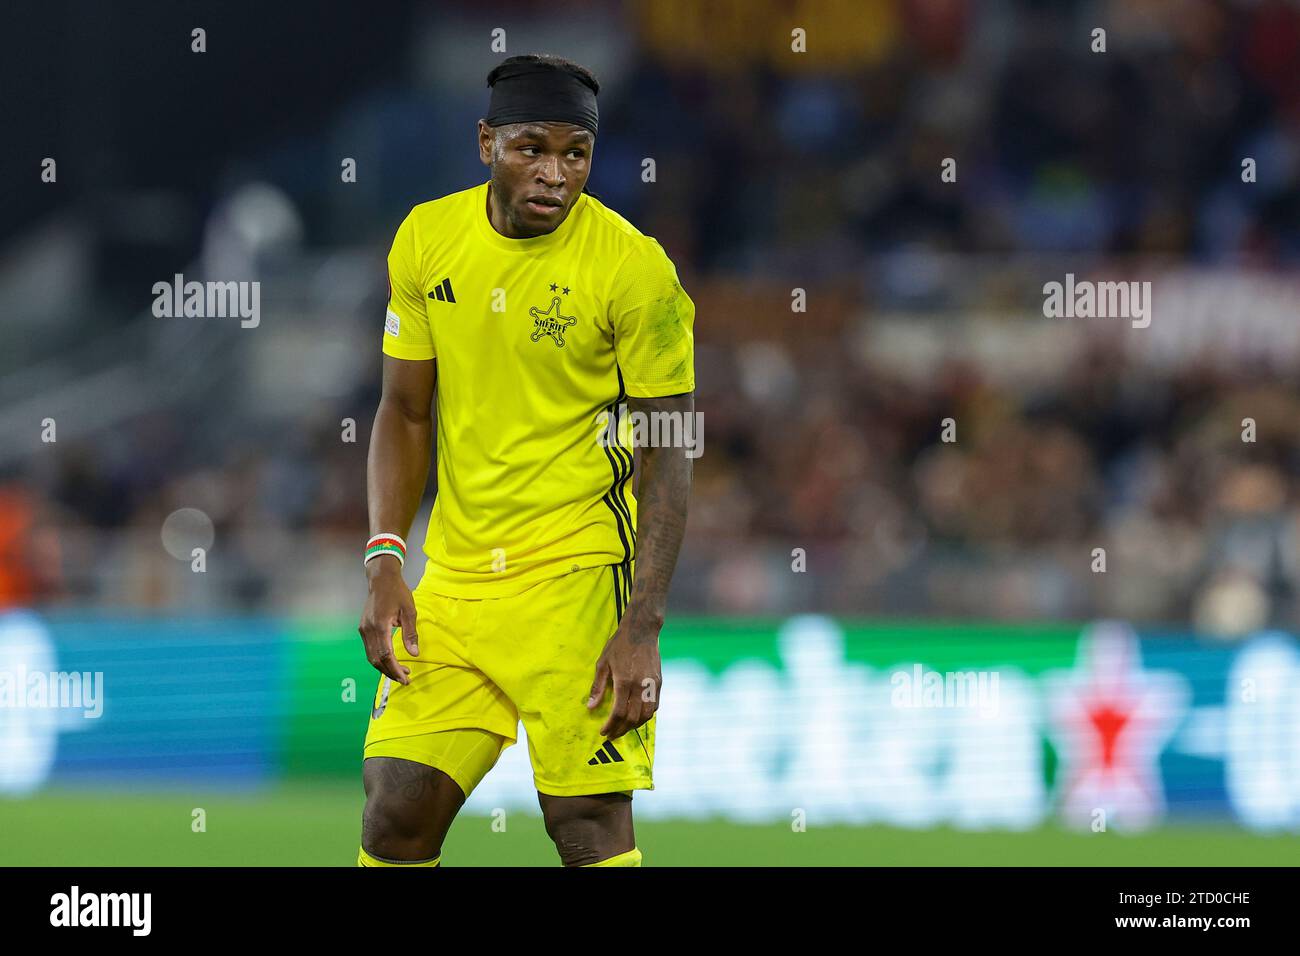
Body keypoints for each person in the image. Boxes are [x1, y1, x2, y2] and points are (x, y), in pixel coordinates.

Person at [356, 54, 695, 867]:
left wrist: (641, 623)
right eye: (531, 149)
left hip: (576, 578)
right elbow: (404, 410)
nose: (554, 174)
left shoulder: (632, 269)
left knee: (584, 824)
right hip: (459, 580)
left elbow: (671, 454)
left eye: (575, 153)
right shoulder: (427, 239)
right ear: (485, 143)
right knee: (395, 813)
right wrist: (384, 558)